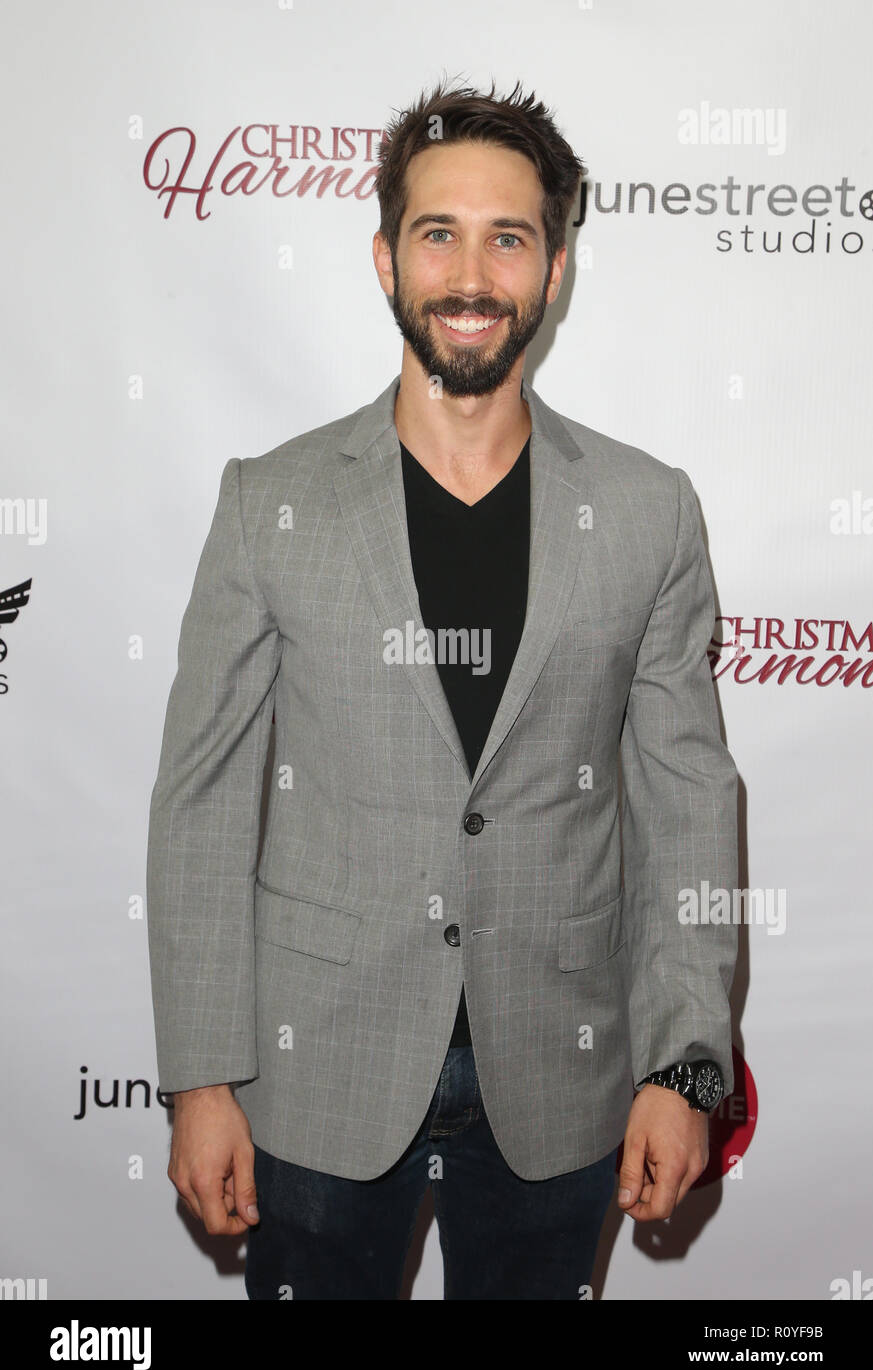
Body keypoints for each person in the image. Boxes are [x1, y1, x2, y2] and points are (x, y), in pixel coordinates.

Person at [146, 78, 739, 1301]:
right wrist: (202, 1076)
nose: (472, 274)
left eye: (508, 237)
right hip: (316, 1076)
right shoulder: (273, 502)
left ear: (555, 271)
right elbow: (199, 805)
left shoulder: (648, 509)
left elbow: (687, 805)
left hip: (563, 1078)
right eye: (439, 233)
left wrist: (685, 1069)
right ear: (384, 259)